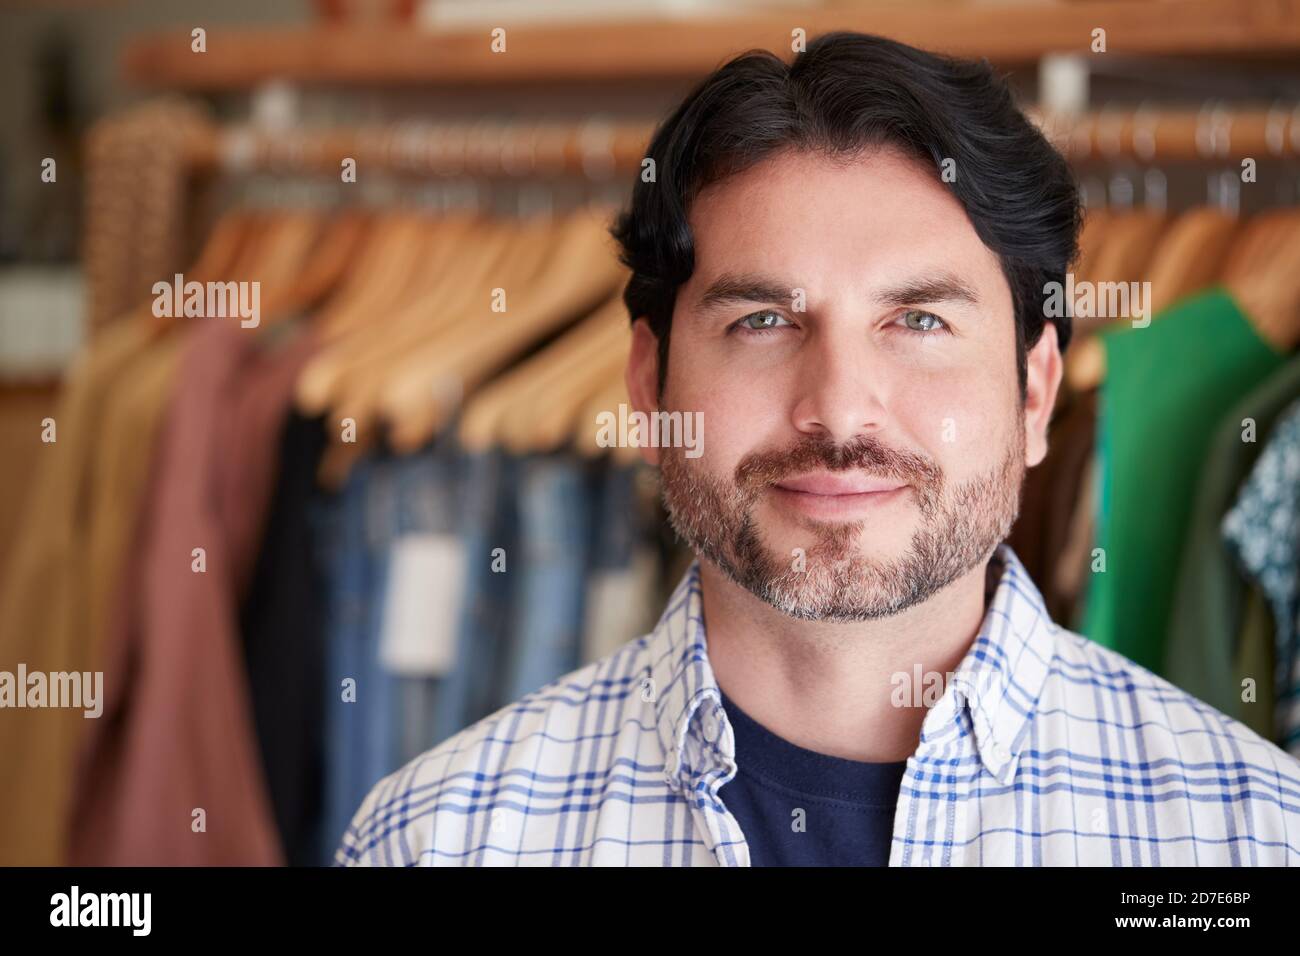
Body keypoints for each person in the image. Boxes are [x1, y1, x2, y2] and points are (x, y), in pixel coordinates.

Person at [336, 31, 1300, 866]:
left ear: (1036, 392)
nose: (839, 410)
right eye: (761, 320)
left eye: (918, 321)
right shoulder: (436, 841)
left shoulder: (1251, 839)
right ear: (648, 382)